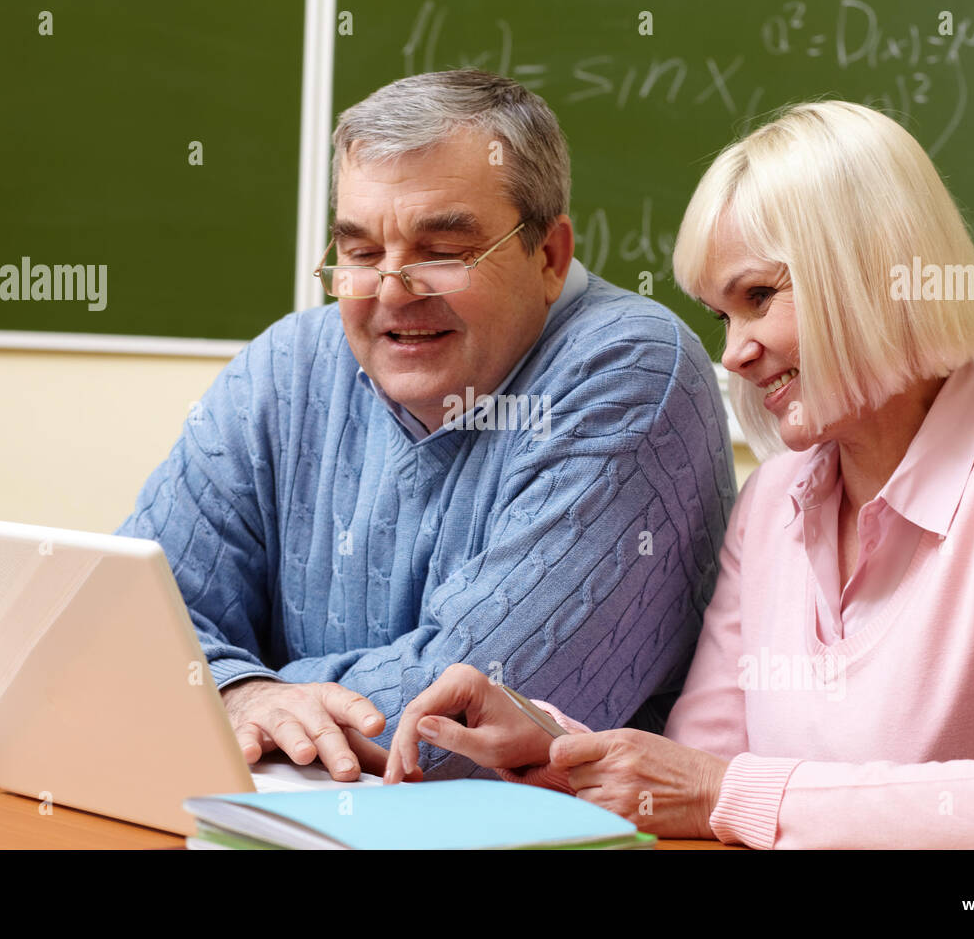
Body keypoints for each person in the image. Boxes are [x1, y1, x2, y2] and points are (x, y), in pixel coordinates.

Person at [385, 100, 974, 848]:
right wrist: (550, 745)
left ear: (874, 275)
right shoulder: (775, 500)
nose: (734, 355)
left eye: (759, 297)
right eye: (723, 316)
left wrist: (717, 791)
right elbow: (699, 779)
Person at [114, 70, 736, 782]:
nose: (391, 291)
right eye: (361, 253)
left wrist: (259, 689)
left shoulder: (632, 373)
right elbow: (124, 628)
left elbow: (458, 732)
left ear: (549, 256)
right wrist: (240, 692)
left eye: (441, 251)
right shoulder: (287, 368)